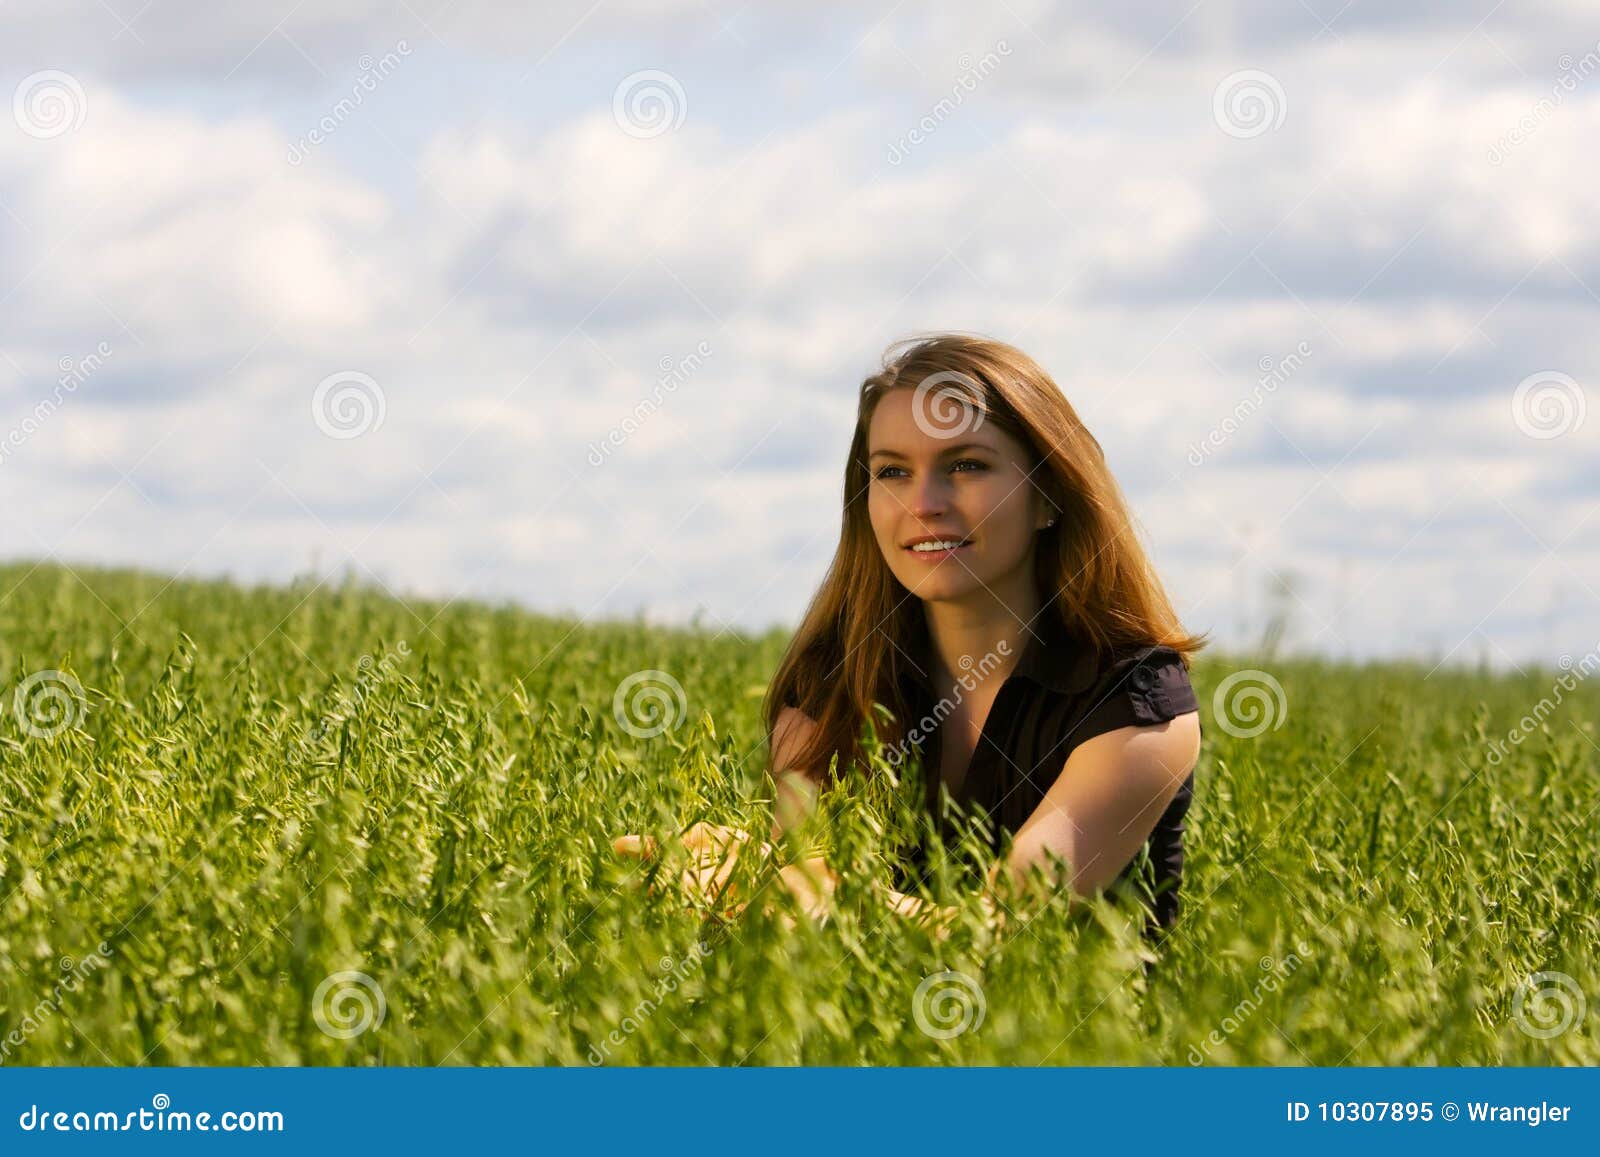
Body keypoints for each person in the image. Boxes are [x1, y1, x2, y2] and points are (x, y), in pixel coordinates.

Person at [614, 333, 1206, 943]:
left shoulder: (1135, 704)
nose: (924, 503)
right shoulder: (832, 682)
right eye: (893, 471)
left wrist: (781, 876)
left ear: (1048, 493)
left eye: (966, 465)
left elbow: (999, 935)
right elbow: (792, 936)